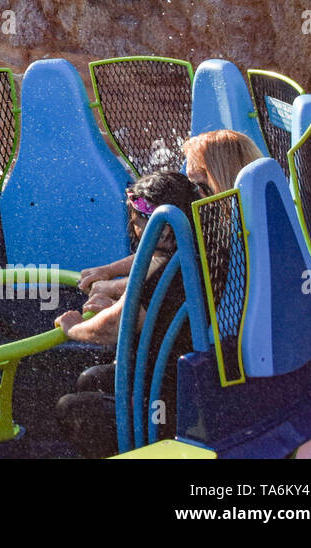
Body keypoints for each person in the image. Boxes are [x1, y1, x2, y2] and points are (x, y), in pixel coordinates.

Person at [54, 171, 206, 457]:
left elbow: (112, 326)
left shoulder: (167, 273)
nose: (134, 230)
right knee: (91, 379)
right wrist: (110, 275)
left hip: (163, 397)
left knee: (70, 408)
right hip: (174, 379)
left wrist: (72, 328)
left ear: (161, 229)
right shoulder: (190, 243)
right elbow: (148, 259)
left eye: (138, 223)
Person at [76, 129, 261, 300]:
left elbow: (173, 275)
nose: (191, 193)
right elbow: (165, 252)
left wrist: (113, 287)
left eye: (197, 185)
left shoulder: (224, 233)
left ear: (220, 180)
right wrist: (109, 270)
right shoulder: (248, 214)